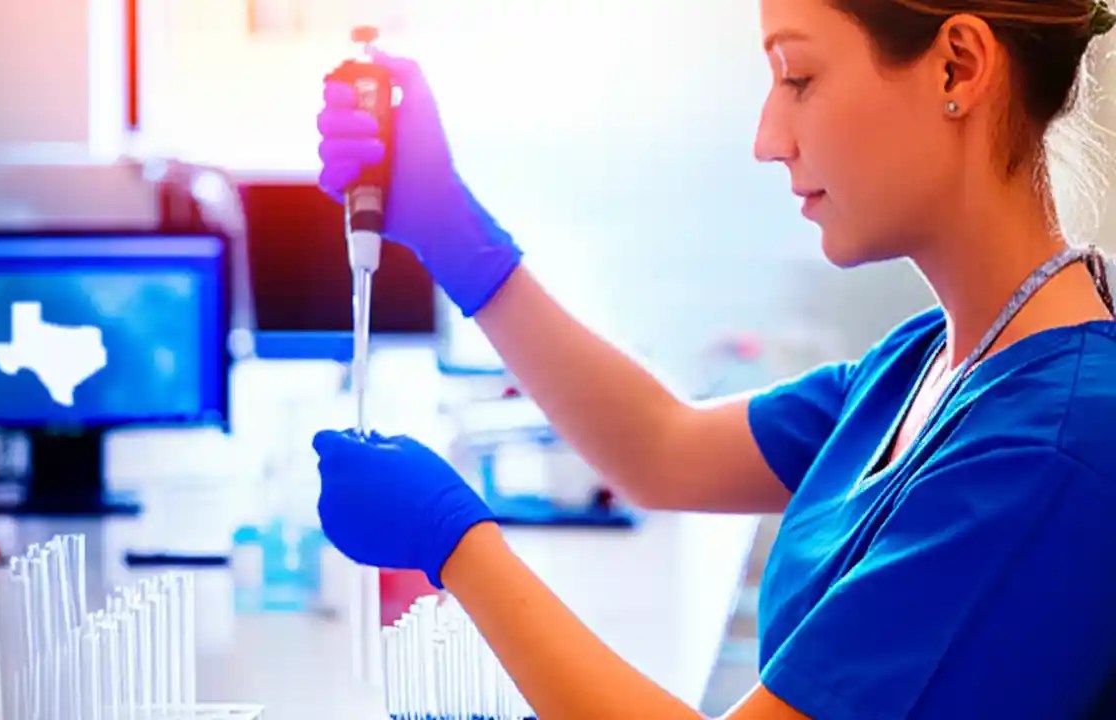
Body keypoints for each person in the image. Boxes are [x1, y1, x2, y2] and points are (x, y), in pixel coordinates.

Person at [313, 0, 1116, 717]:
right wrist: (456, 237)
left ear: (957, 67)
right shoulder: (930, 363)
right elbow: (660, 448)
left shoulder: (1049, 450)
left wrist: (460, 549)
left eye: (798, 77)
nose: (767, 140)